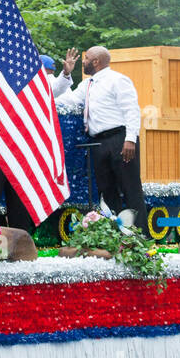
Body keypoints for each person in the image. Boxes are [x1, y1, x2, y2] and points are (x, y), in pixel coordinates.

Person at [55, 45, 144, 225]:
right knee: (106, 190)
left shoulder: (117, 80)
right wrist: (65, 75)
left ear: (96, 61)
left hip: (120, 139)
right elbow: (67, 100)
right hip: (98, 142)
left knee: (130, 187)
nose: (84, 62)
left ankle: (141, 237)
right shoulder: (87, 84)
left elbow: (131, 110)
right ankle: (118, 232)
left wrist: (130, 139)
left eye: (86, 59)